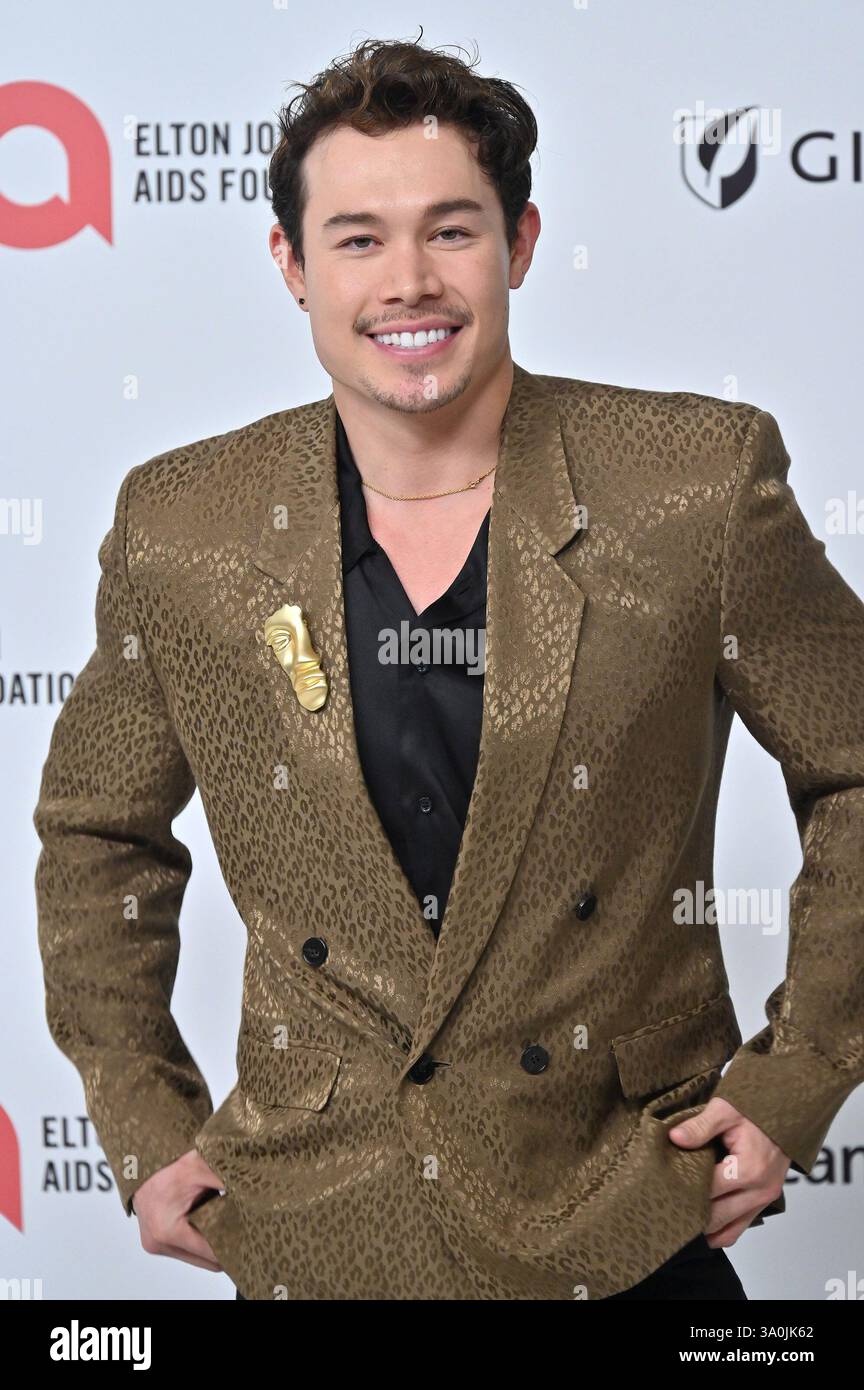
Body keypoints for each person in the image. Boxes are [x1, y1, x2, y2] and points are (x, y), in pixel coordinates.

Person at [34, 34, 864, 1302]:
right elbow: (97, 834)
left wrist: (799, 1075)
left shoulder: (696, 487)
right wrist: (144, 1125)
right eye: (359, 237)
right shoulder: (184, 522)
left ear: (522, 243)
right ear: (290, 264)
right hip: (318, 1220)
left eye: (452, 231)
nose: (408, 281)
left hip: (624, 1211)